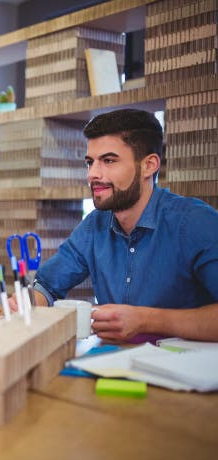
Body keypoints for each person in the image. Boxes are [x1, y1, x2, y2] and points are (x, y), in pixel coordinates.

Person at [29, 108, 218, 342]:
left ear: (149, 165)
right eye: (90, 162)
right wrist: (23, 304)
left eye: (108, 161)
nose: (92, 174)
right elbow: (47, 287)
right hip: (114, 366)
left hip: (187, 373)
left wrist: (145, 320)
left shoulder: (196, 223)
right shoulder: (94, 226)